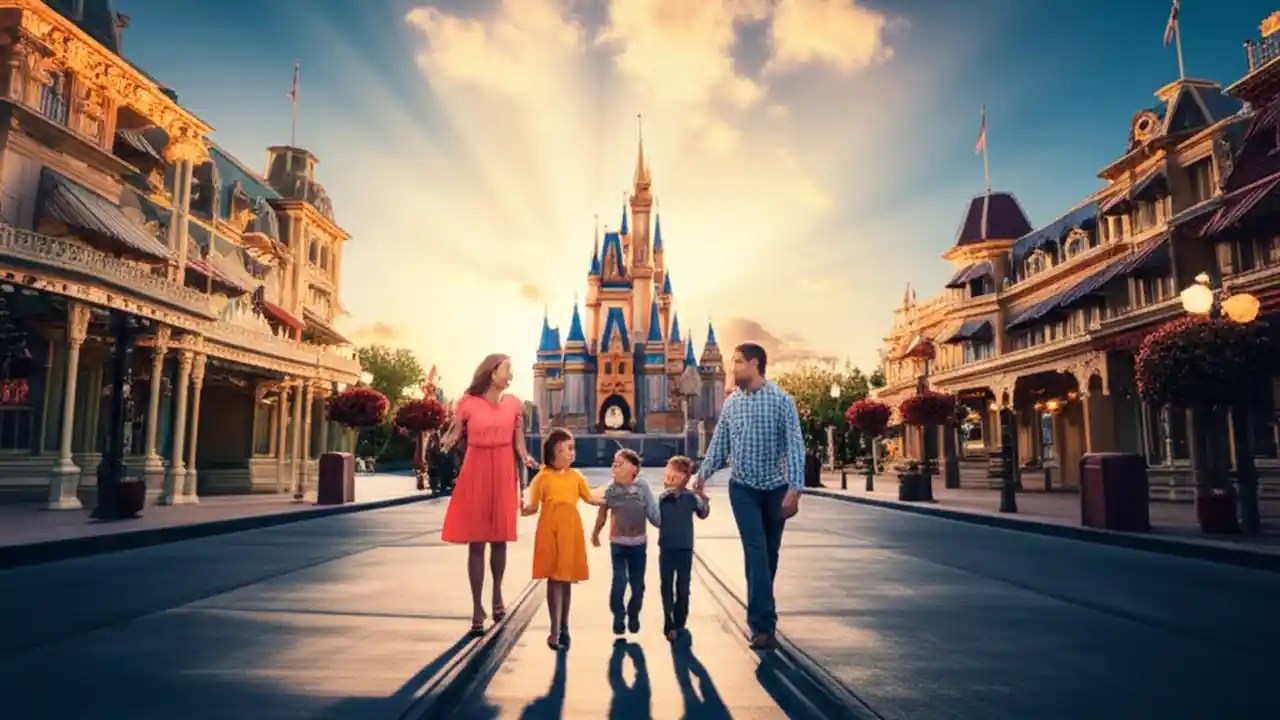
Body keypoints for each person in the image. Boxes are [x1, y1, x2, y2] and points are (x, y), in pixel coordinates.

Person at [693, 343, 804, 650]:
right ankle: (762, 625)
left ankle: (761, 609)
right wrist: (701, 475)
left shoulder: (782, 401)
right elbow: (719, 445)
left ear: (755, 364)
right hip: (742, 489)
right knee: (756, 551)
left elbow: (795, 445)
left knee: (769, 554)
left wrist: (794, 489)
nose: (733, 368)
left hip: (775, 489)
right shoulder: (732, 404)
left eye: (738, 362)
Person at [440, 353, 540, 636]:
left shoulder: (514, 405)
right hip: (476, 471)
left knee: (500, 539)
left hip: (504, 472)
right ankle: (476, 608)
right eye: (507, 370)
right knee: (477, 542)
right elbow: (454, 434)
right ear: (491, 373)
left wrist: (527, 459)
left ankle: (497, 595)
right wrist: (443, 444)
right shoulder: (467, 404)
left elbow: (519, 445)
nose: (511, 376)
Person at [523, 428, 604, 650]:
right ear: (554, 451)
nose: (572, 453)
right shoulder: (542, 477)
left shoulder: (576, 477)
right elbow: (532, 506)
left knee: (566, 580)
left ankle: (564, 626)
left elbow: (590, 498)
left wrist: (613, 495)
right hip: (549, 532)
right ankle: (554, 629)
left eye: (572, 448)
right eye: (568, 448)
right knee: (554, 579)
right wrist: (520, 506)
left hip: (571, 532)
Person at [591, 448, 661, 636]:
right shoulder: (610, 489)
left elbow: (654, 513)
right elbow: (602, 514)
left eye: (620, 464)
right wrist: (595, 533)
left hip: (638, 545)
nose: (615, 467)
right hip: (618, 544)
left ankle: (633, 613)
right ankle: (618, 614)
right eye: (614, 464)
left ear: (634, 469)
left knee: (638, 585)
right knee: (619, 580)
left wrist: (666, 524)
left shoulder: (642, 487)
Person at [658, 455, 709, 642]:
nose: (670, 478)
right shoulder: (663, 498)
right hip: (666, 547)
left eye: (675, 475)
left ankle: (680, 621)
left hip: (685, 548)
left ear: (685, 477)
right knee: (666, 585)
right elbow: (654, 515)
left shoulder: (690, 497)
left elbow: (703, 513)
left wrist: (703, 499)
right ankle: (668, 621)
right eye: (668, 474)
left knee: (683, 586)